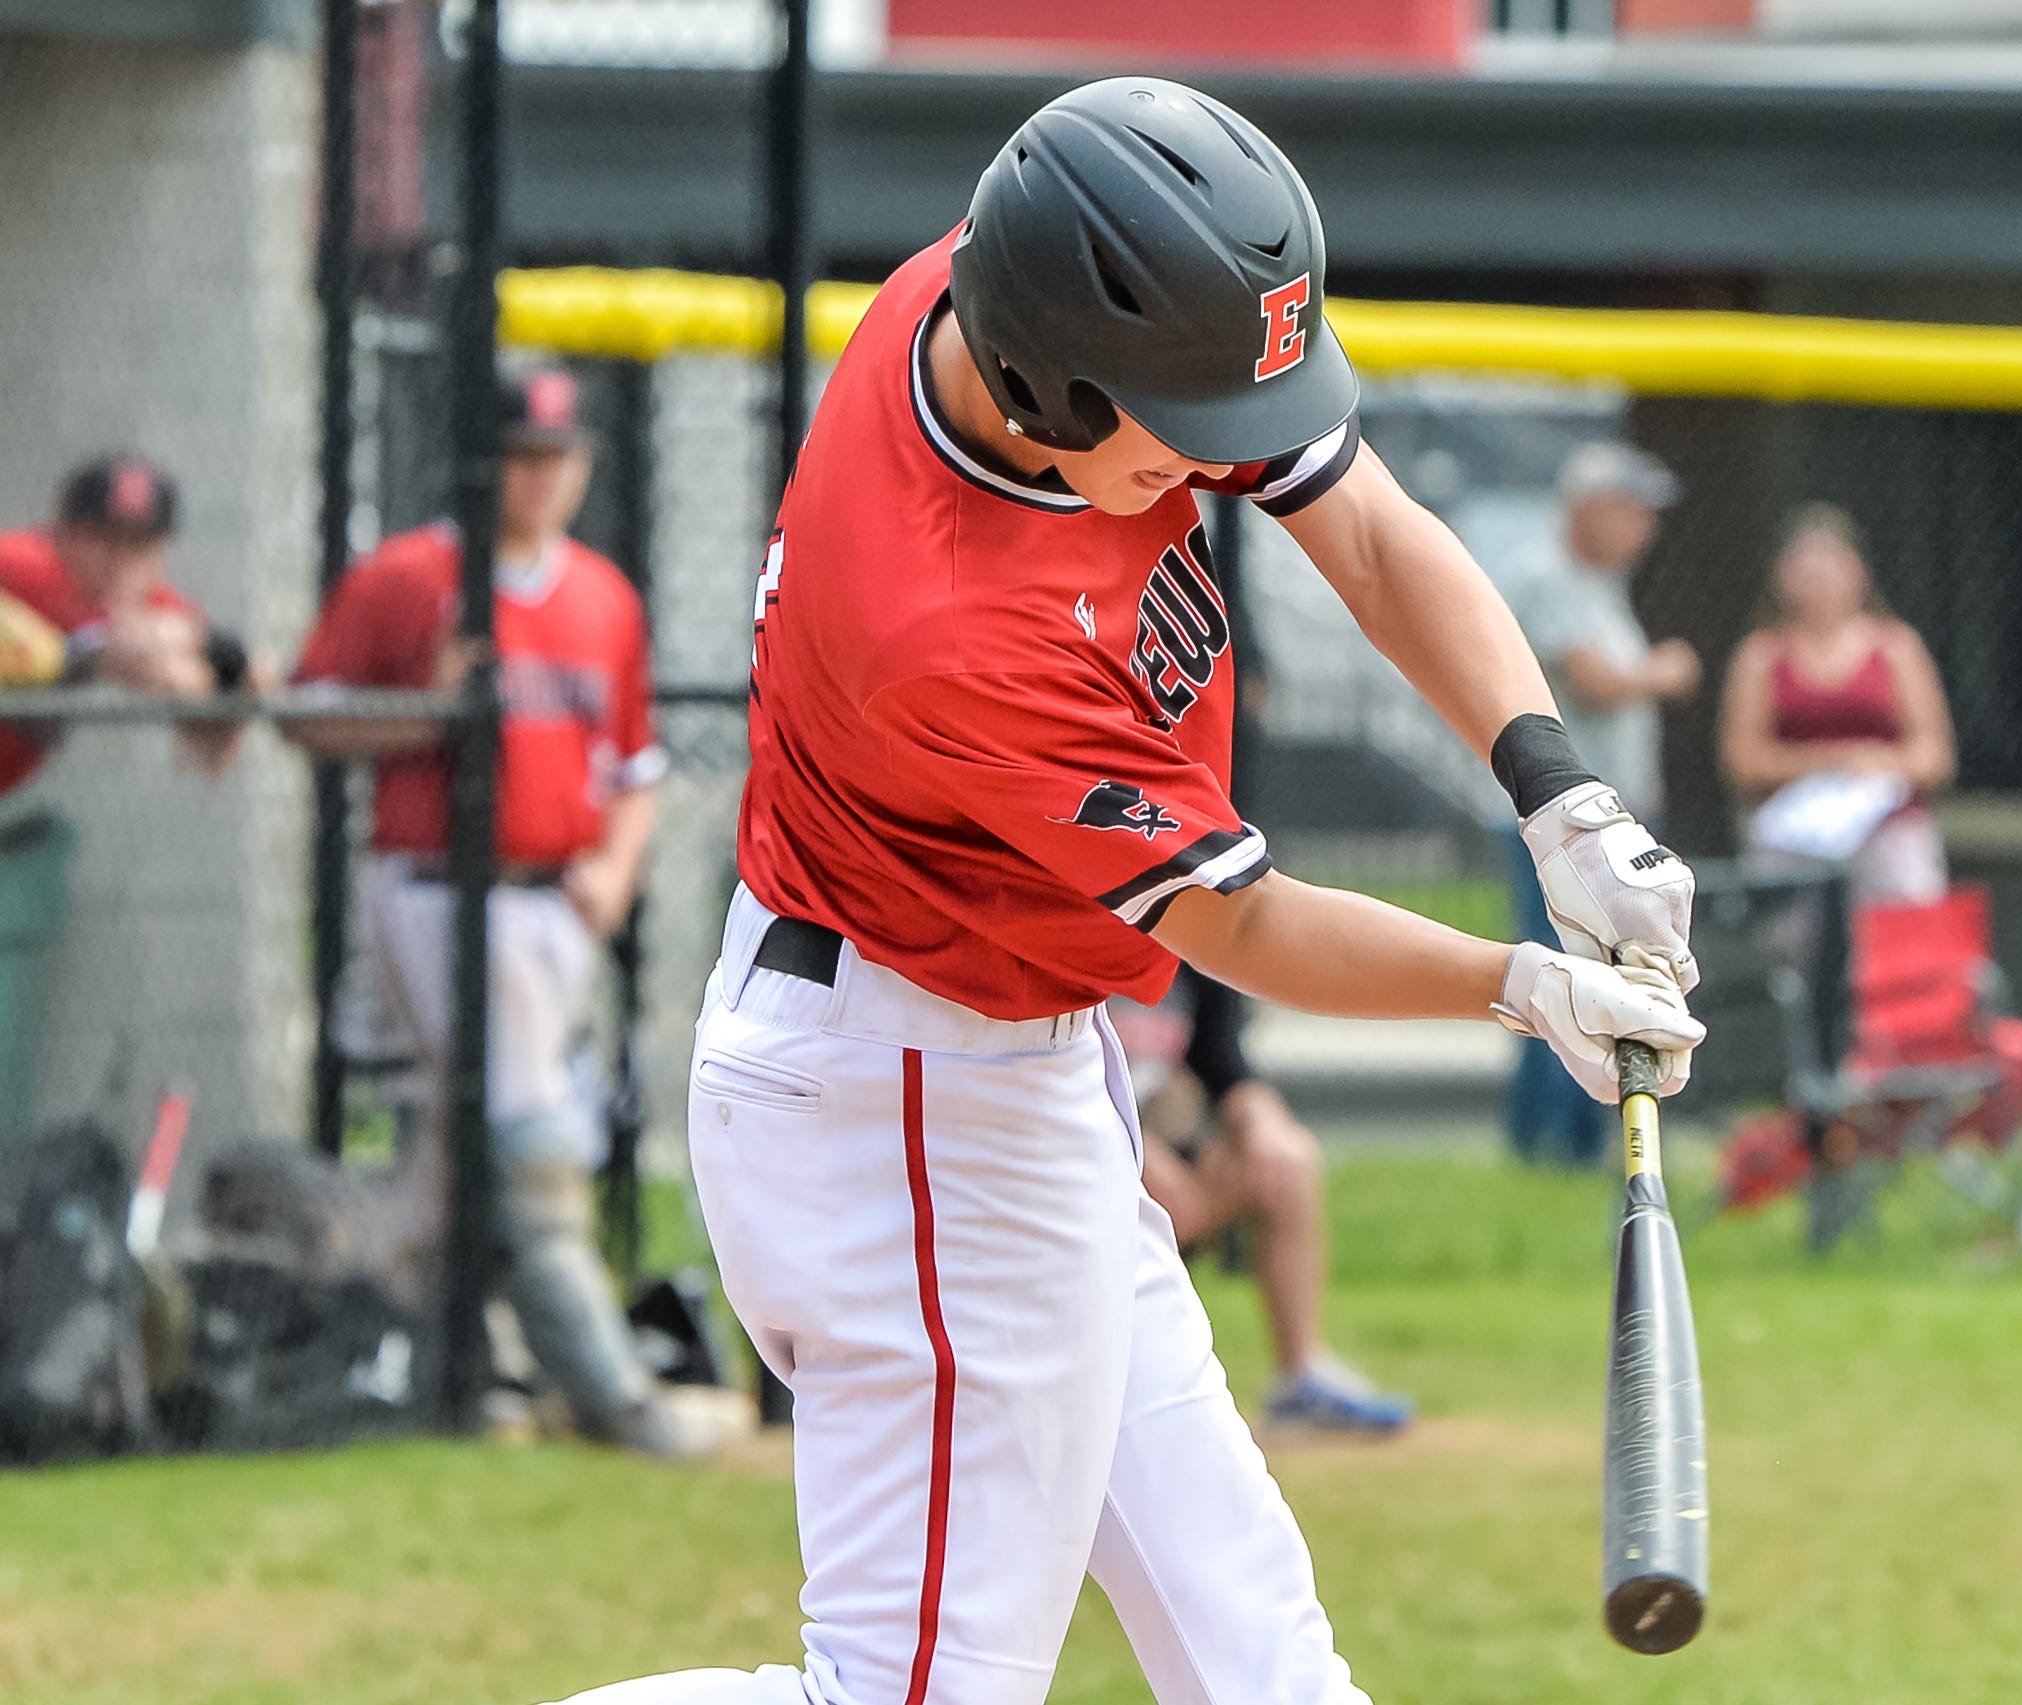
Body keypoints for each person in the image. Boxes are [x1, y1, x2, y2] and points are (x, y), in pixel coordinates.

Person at [546, 77, 1702, 1705]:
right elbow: (1240, 922)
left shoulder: (1023, 288)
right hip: (904, 1118)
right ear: (1046, 390)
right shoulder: (947, 623)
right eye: (1189, 432)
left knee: (1257, 1658)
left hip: (990, 1066)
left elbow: (1364, 536)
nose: (1223, 469)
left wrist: (1560, 798)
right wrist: (1517, 985)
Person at [279, 367, 745, 1459]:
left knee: (446, 1174)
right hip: (440, 891)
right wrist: (422, 707)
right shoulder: (410, 575)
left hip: (554, 906)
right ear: (480, 467)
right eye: (522, 460)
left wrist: (620, 865)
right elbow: (303, 715)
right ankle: (617, 1400)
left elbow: (636, 764)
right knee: (536, 1148)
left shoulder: (601, 595)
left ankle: (375, 1348)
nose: (543, 480)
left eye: (558, 457)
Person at [1502, 439, 1700, 1166]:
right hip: (1554, 825)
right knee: (1556, 967)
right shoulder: (1550, 575)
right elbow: (1596, 682)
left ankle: (1588, 1136)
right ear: (1588, 508)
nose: (1643, 527)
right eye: (1631, 509)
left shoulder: (1596, 582)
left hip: (1596, 822)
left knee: (1603, 972)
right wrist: (1664, 670)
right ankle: (1545, 1143)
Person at [1124, 966, 1412, 1435]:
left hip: (1169, 1146)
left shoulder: (1180, 937)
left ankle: (1300, 1377)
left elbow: (1223, 1066)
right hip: (1092, 1152)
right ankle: (1120, 1386)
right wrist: (1138, 1162)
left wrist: (1263, 1122)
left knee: (1288, 1161)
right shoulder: (1075, 933)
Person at [1720, 502, 1955, 903]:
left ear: (1858, 572)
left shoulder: (1897, 647)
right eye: (1805, 569)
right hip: (1792, 838)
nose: (1819, 581)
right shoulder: (1760, 656)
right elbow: (1743, 760)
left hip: (1888, 833)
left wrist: (1879, 767)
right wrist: (1831, 762)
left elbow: (1935, 756)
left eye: (1830, 567)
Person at [0, 454, 249, 797]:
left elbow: (214, 747)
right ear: (63, 531)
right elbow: (142, 656)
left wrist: (232, 675)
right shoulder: (21, 564)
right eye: (103, 537)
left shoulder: (151, 602)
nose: (120, 559)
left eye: (139, 543)